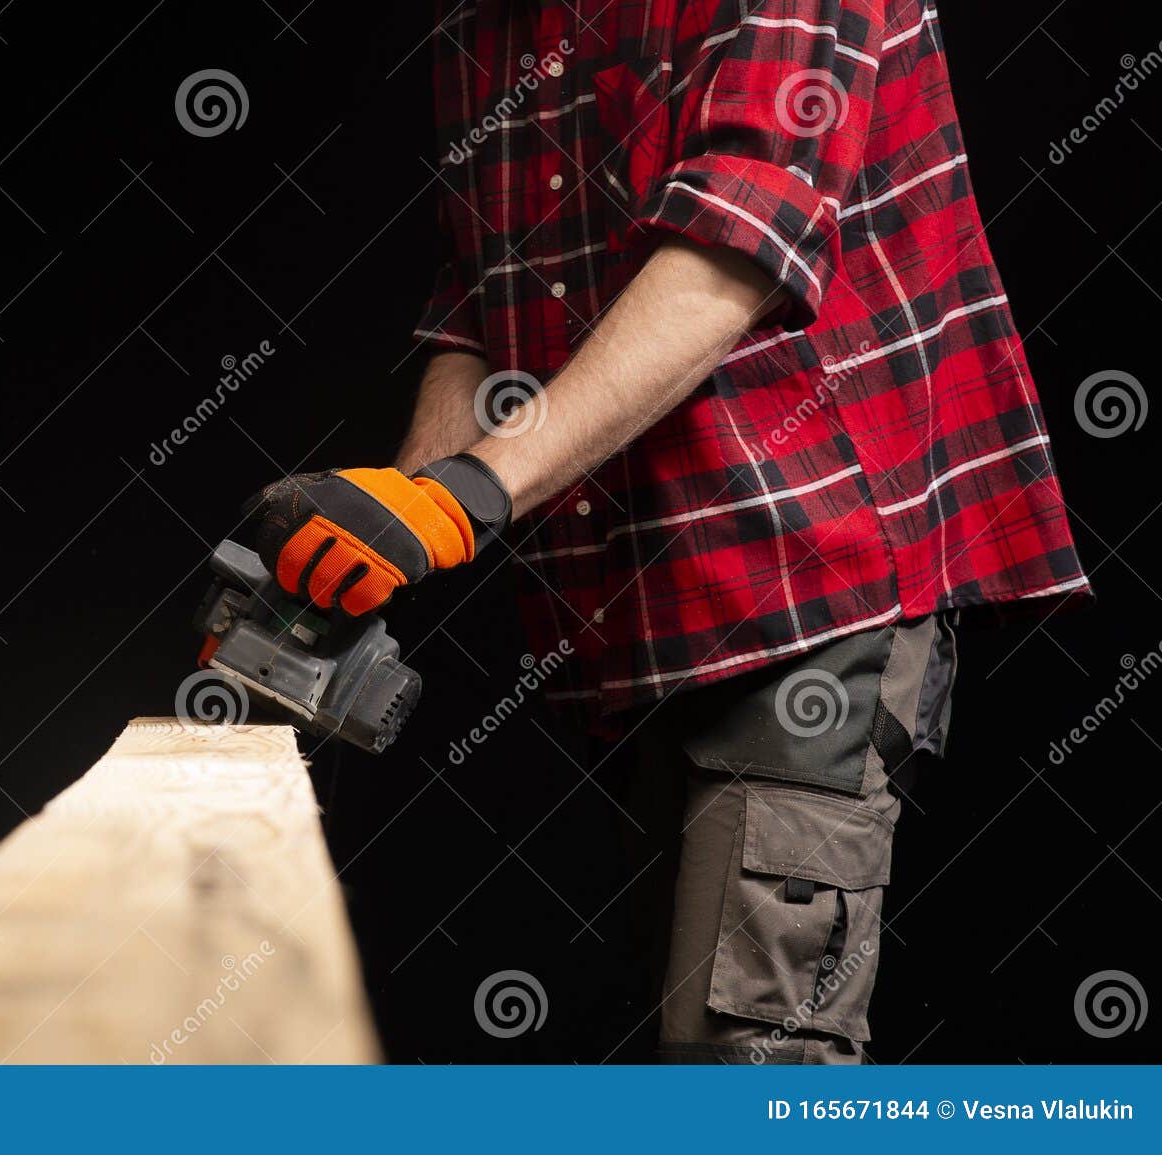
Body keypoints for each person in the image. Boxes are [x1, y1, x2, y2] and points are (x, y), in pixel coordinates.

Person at [241, 0, 1089, 1063]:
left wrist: (467, 493)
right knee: (674, 1047)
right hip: (624, 612)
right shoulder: (480, 23)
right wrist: (394, 517)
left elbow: (736, 245)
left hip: (805, 584)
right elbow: (482, 300)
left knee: (751, 1068)